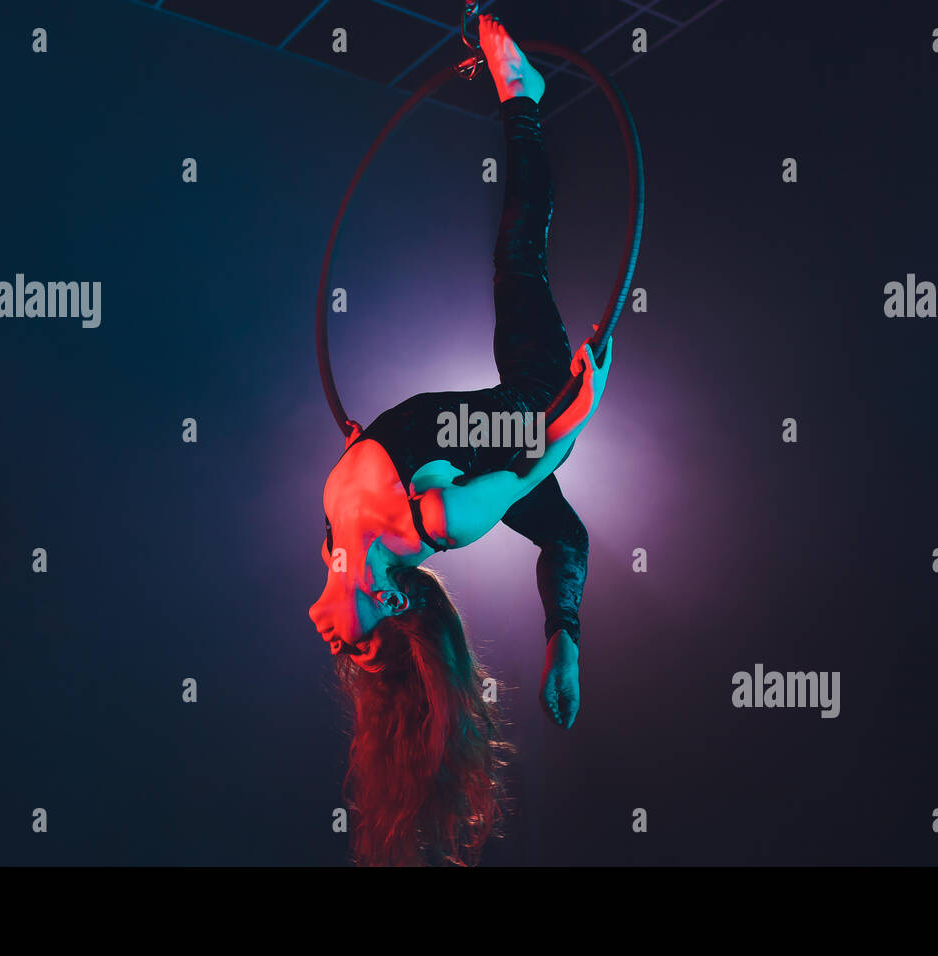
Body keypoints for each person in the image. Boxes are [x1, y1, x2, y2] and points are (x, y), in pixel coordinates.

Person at [308, 15, 613, 866]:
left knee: (565, 532)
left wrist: (363, 445)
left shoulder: (333, 542)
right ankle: (526, 99)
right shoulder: (432, 522)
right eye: (367, 645)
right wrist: (573, 417)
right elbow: (531, 458)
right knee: (518, 257)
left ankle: (565, 640)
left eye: (351, 655)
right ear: (396, 601)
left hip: (477, 427)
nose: (342, 646)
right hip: (524, 412)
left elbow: (354, 562)